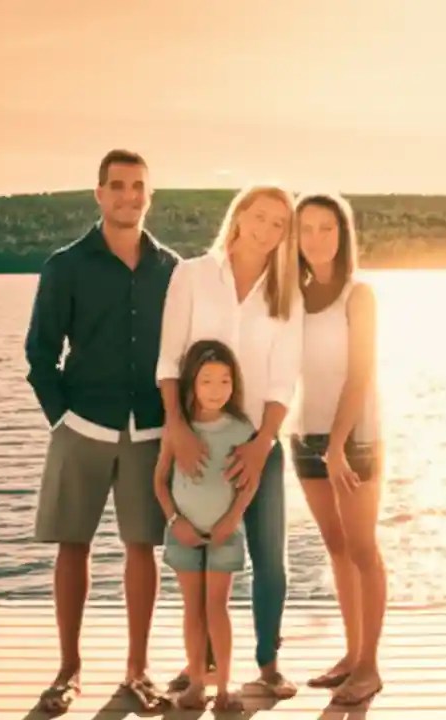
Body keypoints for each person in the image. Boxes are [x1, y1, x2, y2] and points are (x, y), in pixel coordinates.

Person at [23, 149, 181, 714]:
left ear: (149, 194)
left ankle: (137, 671)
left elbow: (184, 351)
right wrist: (61, 416)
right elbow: (40, 352)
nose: (128, 197)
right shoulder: (66, 265)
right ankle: (68, 669)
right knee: (74, 545)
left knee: (144, 547)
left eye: (138, 186)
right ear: (99, 193)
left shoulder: (171, 268)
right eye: (117, 186)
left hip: (149, 429)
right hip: (82, 424)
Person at [156, 183, 303, 698]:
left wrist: (263, 443)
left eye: (279, 223)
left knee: (269, 557)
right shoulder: (193, 275)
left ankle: (267, 662)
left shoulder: (288, 293)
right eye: (259, 217)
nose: (267, 230)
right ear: (239, 216)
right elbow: (171, 359)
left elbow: (284, 377)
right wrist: (176, 428)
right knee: (197, 556)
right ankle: (200, 666)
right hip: (198, 443)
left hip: (259, 442)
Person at [289, 191, 387, 705]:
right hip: (305, 437)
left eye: (327, 228)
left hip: (355, 440)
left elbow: (360, 371)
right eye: (306, 228)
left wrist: (339, 444)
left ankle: (369, 666)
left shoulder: (359, 294)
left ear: (342, 235)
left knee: (363, 548)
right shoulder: (293, 295)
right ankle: (350, 657)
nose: (316, 238)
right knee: (336, 548)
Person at [153, 339, 257, 712]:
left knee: (217, 608)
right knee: (192, 608)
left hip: (225, 534)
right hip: (183, 532)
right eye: (207, 381)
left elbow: (250, 482)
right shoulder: (178, 429)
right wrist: (174, 521)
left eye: (225, 381)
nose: (216, 391)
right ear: (191, 384)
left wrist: (232, 518)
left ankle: (225, 688)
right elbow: (159, 481)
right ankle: (197, 683)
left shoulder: (241, 429)